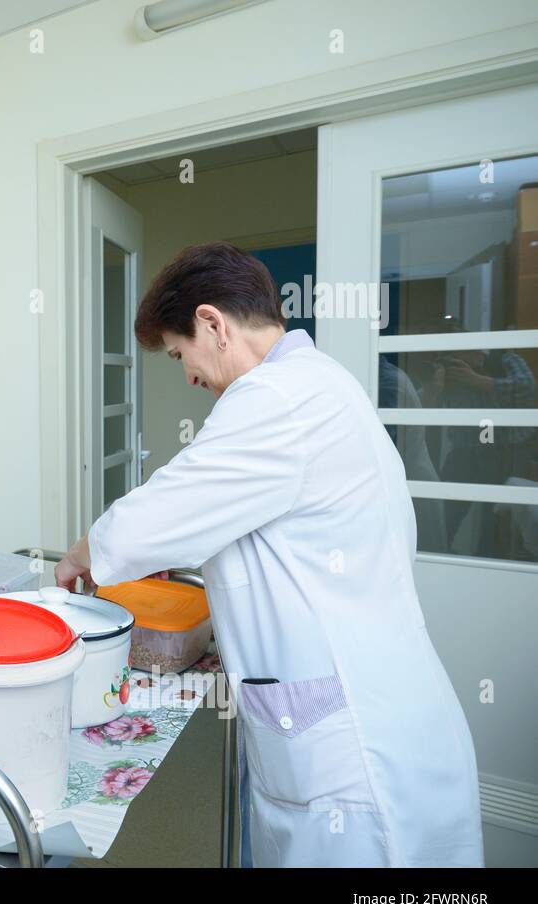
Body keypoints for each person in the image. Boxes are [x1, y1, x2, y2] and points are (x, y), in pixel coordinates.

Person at [55, 242, 483, 867]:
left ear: (212, 324)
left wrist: (79, 556)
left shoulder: (275, 399)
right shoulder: (319, 381)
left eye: (179, 354)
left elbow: (159, 513)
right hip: (379, 706)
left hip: (350, 753)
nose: (189, 376)